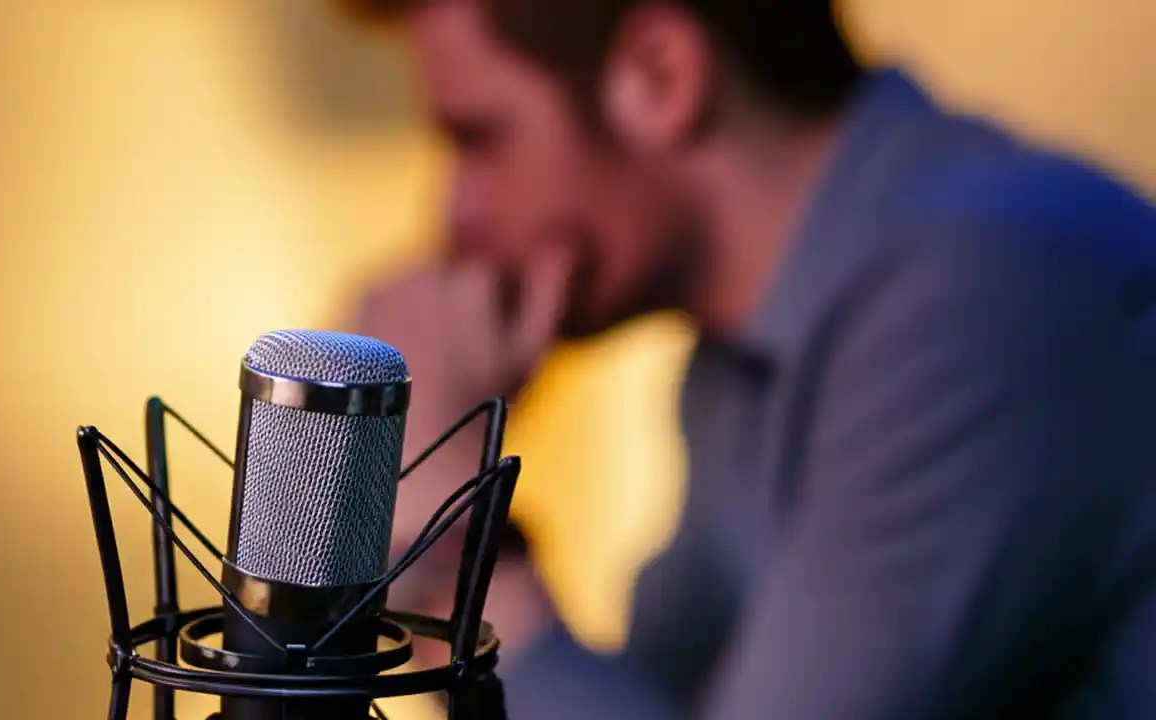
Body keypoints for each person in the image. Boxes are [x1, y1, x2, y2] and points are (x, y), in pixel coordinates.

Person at [345, 0, 1156, 716]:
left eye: (480, 138)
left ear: (661, 74)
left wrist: (452, 519)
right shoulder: (738, 367)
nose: (456, 210)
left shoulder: (985, 289)